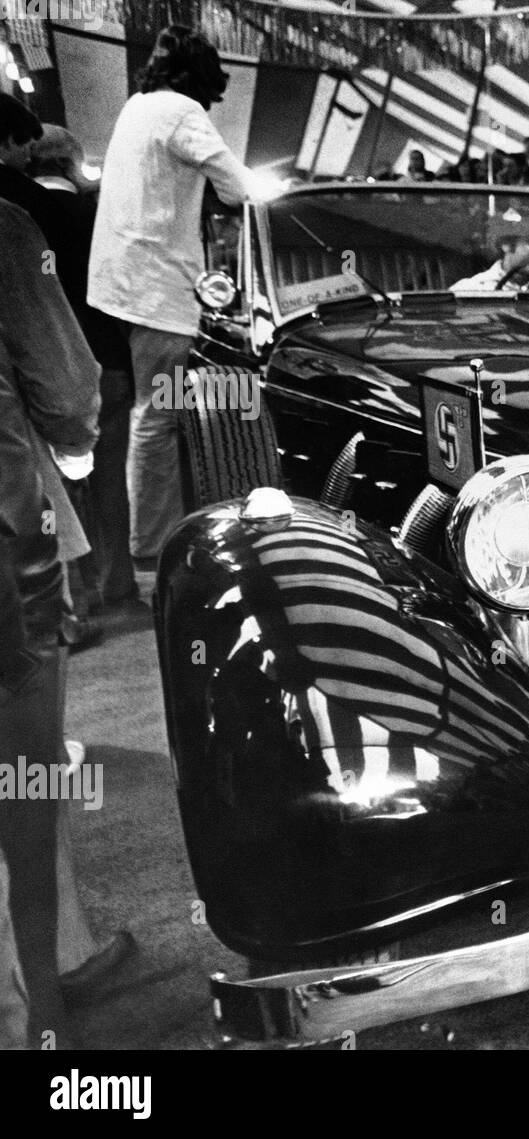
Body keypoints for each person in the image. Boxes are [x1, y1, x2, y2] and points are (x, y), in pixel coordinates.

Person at [88, 25, 256, 566]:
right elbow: (241, 187)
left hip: (119, 286)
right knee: (158, 415)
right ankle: (155, 546)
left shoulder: (137, 104)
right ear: (201, 76)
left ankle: (147, 538)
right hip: (156, 288)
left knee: (149, 411)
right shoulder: (183, 111)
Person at [0, 199, 102, 1047]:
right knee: (23, 787)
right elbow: (66, 387)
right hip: (8, 558)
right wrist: (75, 447)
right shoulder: (3, 226)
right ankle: (42, 1012)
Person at [27, 125, 137, 614]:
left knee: (57, 488)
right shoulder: (99, 219)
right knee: (111, 478)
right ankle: (119, 583)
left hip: (44, 369)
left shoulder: (18, 215)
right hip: (107, 362)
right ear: (74, 165)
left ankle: (79, 593)